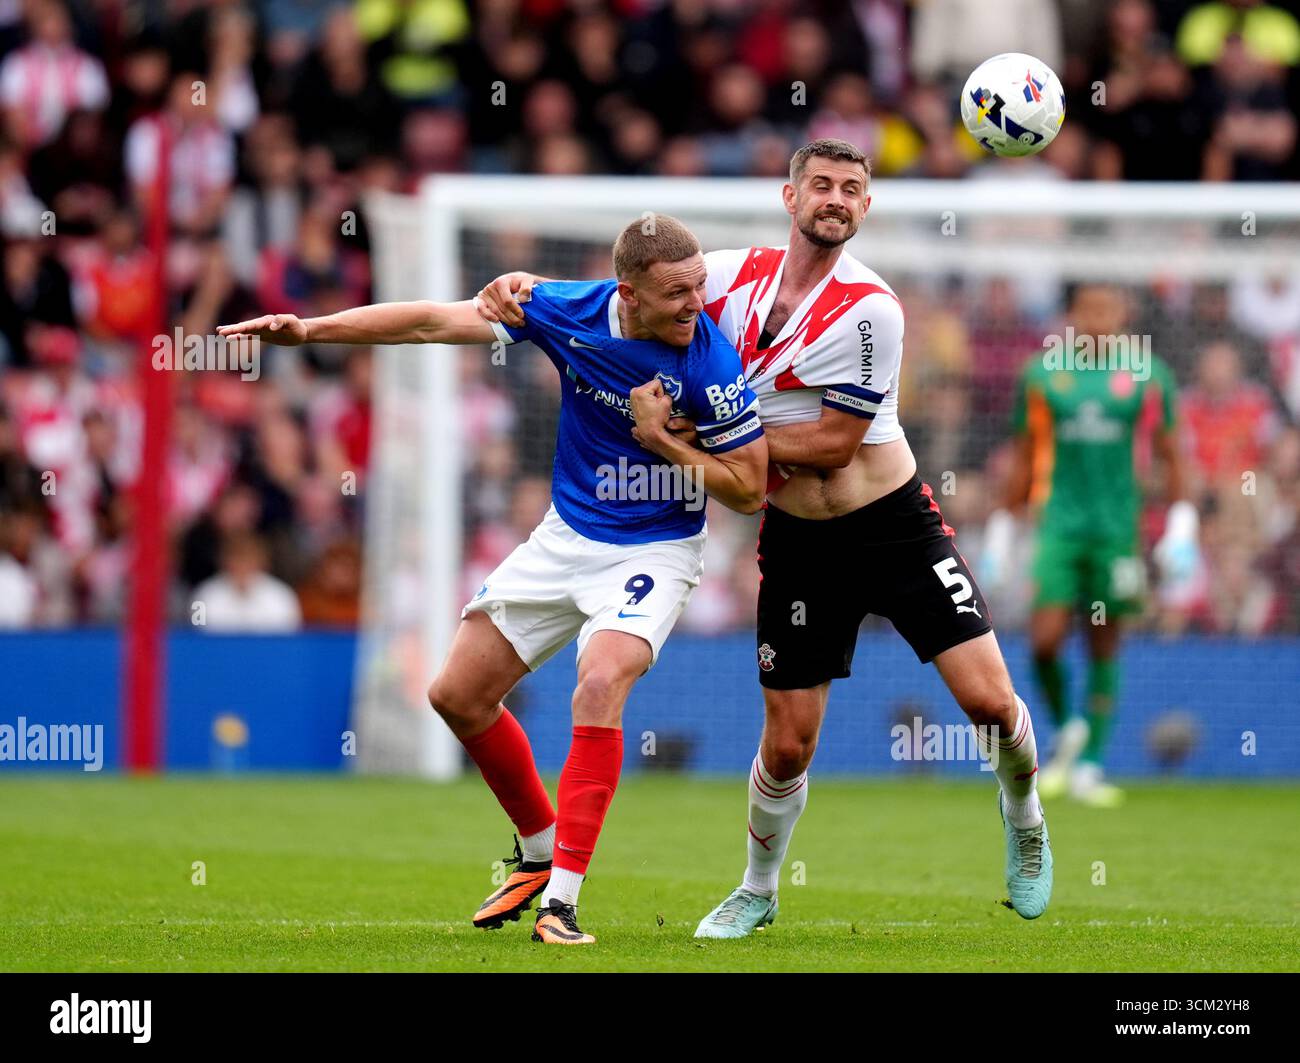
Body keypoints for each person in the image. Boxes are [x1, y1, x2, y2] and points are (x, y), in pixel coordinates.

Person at [476, 138, 1053, 936]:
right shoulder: (724, 277)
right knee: (787, 745)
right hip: (799, 538)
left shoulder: (873, 310)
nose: (836, 198)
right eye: (822, 184)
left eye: (853, 188)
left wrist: (690, 437)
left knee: (990, 703)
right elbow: (633, 290)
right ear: (791, 198)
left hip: (894, 529)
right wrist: (527, 289)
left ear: (867, 207)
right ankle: (759, 886)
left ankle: (1022, 813)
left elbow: (832, 445)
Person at [220, 213, 768, 944]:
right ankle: (538, 851)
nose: (696, 304)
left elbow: (749, 488)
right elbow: (428, 324)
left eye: (700, 287)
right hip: (566, 537)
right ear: (627, 293)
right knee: (457, 694)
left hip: (655, 551)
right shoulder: (565, 308)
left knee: (601, 680)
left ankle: (562, 904)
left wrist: (662, 440)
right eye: (677, 292)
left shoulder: (710, 363)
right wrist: (311, 331)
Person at [984, 283, 1195, 807]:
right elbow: (1027, 454)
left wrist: (1182, 524)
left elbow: (1171, 454)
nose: (1098, 319)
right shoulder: (1043, 376)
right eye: (1088, 309)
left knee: (1104, 641)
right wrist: (1002, 529)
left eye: (1109, 308)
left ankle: (1090, 766)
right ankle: (1068, 726)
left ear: (1124, 314)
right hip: (1057, 527)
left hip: (1118, 533)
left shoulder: (1149, 375)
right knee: (1045, 640)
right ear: (1072, 315)